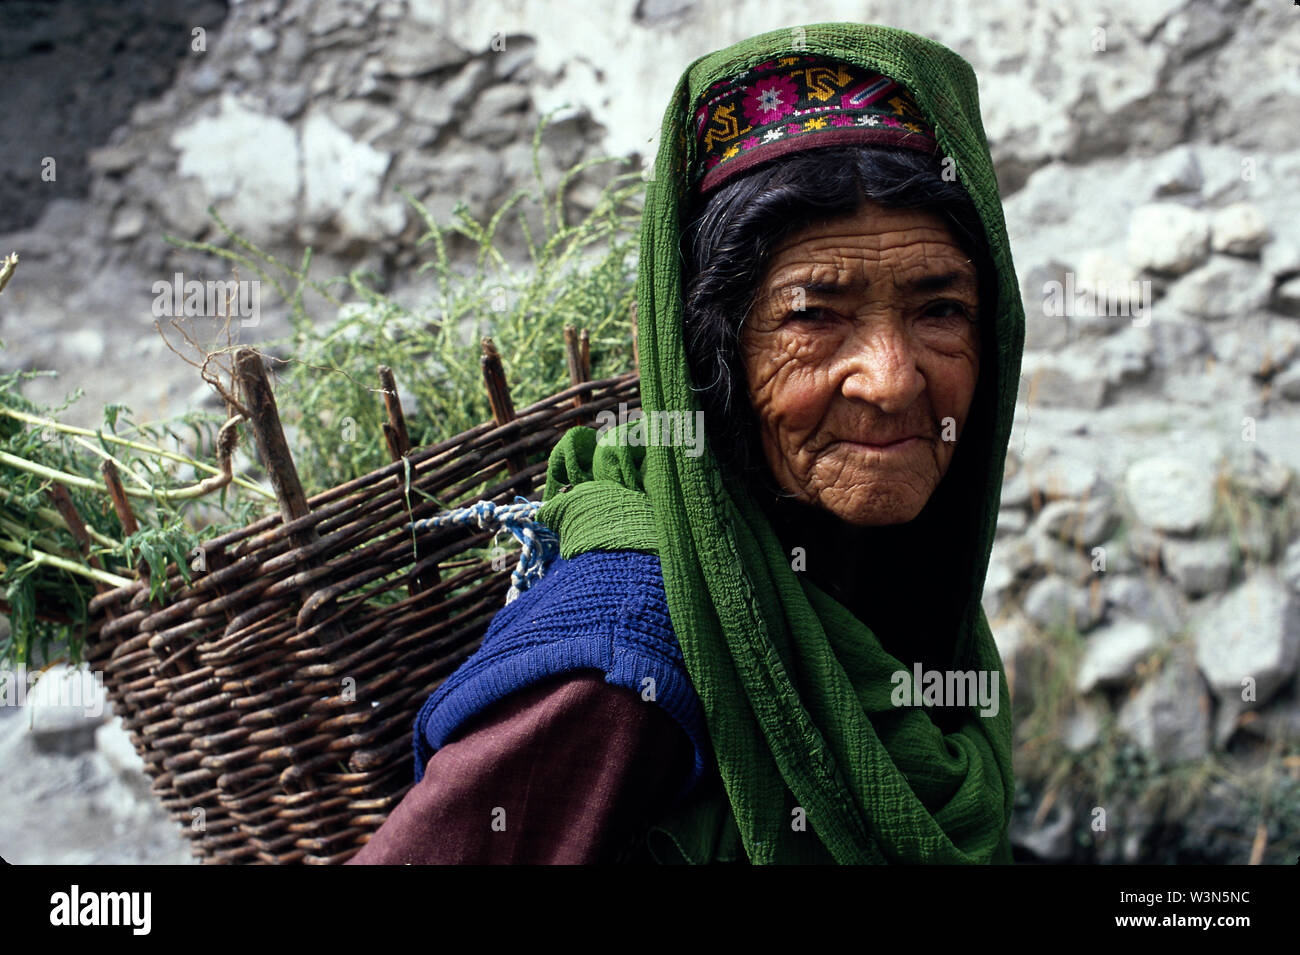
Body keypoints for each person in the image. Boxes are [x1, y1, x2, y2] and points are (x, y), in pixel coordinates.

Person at [347, 20, 1024, 865]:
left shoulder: (897, 590)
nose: (890, 379)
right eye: (813, 314)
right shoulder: (624, 659)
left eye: (940, 309)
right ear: (713, 354)